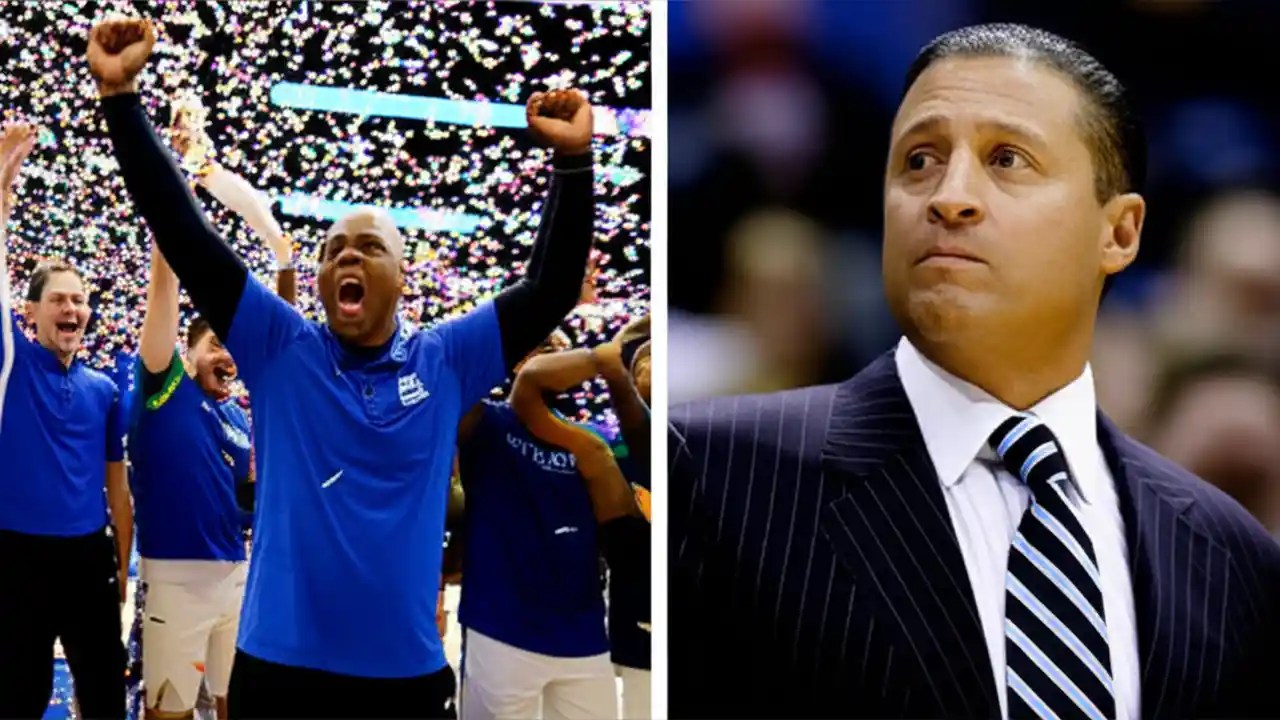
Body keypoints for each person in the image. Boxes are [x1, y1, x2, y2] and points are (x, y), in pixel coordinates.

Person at [668, 23, 1280, 720]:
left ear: (1119, 233)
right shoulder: (704, 473)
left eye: (1007, 159)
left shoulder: (1234, 559)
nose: (948, 195)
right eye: (919, 160)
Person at [87, 17, 595, 719]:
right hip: (279, 674)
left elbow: (551, 288)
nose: (346, 255)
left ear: (402, 278)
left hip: (404, 682)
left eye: (368, 247)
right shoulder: (280, 347)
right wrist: (120, 100)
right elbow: (185, 234)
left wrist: (573, 164)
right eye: (332, 251)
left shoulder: (447, 359)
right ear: (323, 279)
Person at [0, 122, 131, 719]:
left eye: (79, 300)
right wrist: (3, 195)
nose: (72, 308)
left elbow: (116, 485)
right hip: (16, 556)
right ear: (31, 311)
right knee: (19, 694)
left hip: (87, 558)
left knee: (103, 694)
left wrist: (121, 559)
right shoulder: (12, 363)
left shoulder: (104, 389)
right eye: (58, 299)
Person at [454, 331, 616, 720]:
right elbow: (453, 380)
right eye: (539, 349)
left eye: (560, 351)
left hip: (582, 629)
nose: (552, 359)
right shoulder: (485, 421)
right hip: (499, 623)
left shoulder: (594, 438)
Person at [511, 315, 652, 719]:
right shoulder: (604, 447)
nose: (652, 366)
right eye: (643, 362)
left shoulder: (606, 442)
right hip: (625, 620)